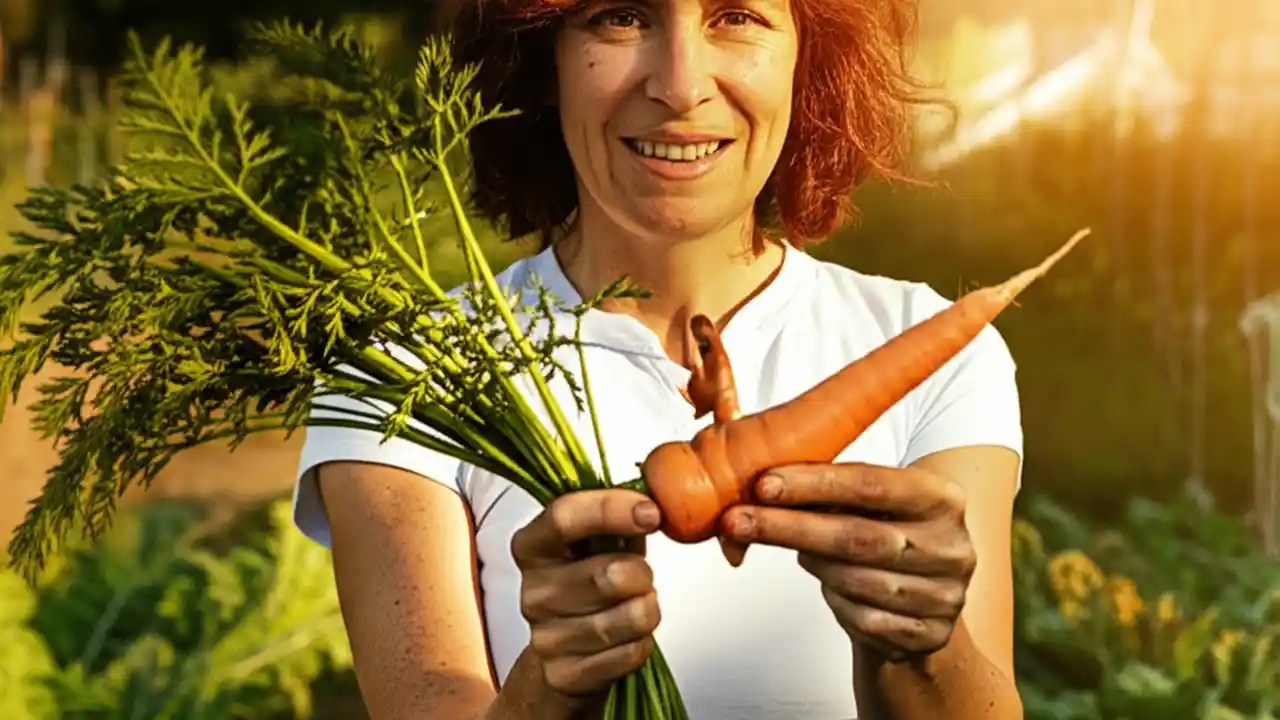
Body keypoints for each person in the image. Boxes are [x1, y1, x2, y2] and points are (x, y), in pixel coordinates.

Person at [290, 1, 1026, 718]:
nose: (680, 85)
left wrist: (923, 646)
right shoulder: (402, 371)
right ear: (543, 57)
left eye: (736, 16)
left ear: (810, 58)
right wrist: (550, 687)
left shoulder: (937, 346)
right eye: (620, 15)